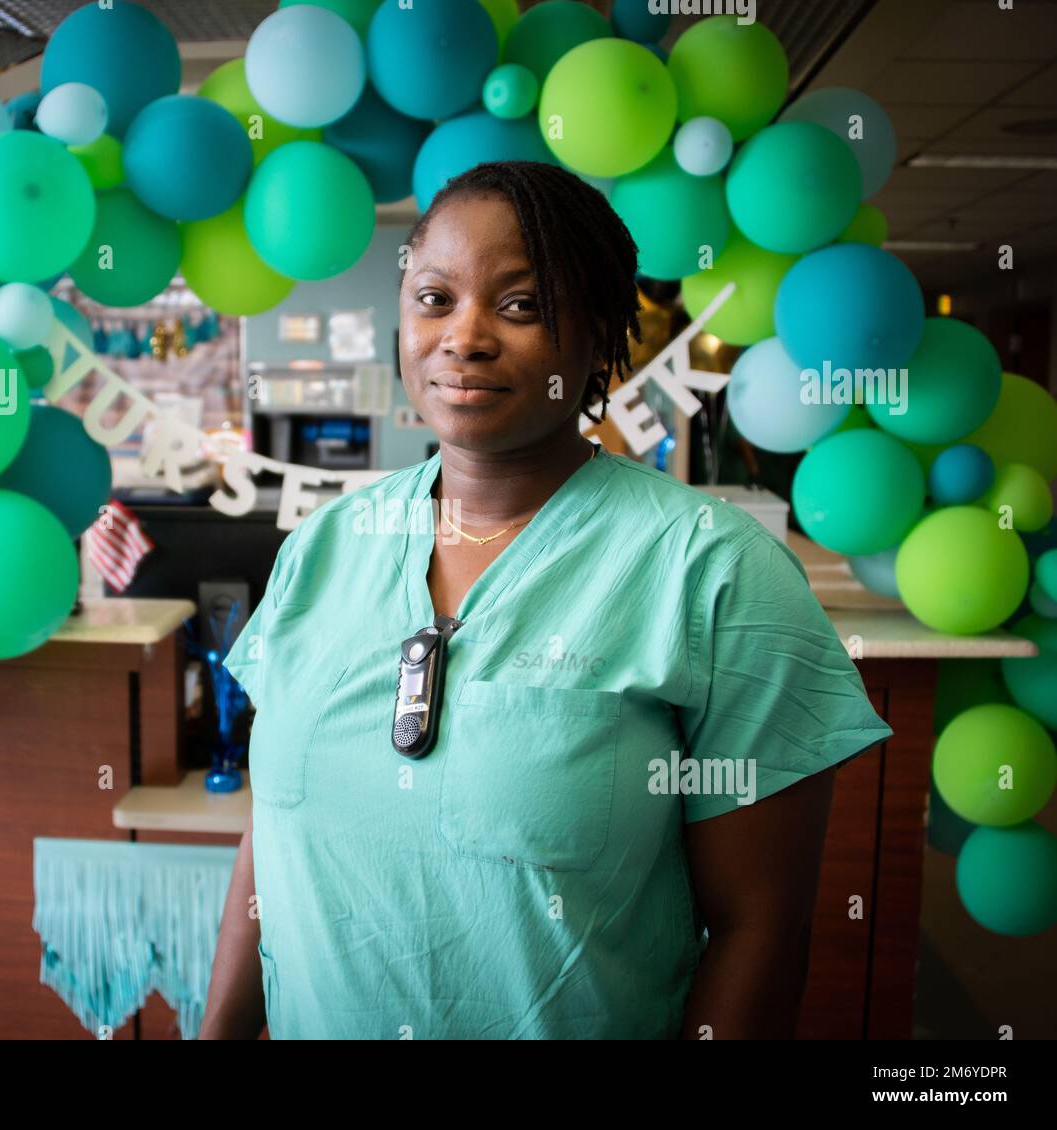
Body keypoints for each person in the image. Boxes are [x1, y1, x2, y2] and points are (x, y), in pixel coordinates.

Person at [199, 160, 893, 1040]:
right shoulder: (323, 551)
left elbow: (760, 932)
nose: (465, 337)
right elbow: (272, 841)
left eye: (521, 306)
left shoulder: (713, 573)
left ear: (601, 337)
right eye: (434, 298)